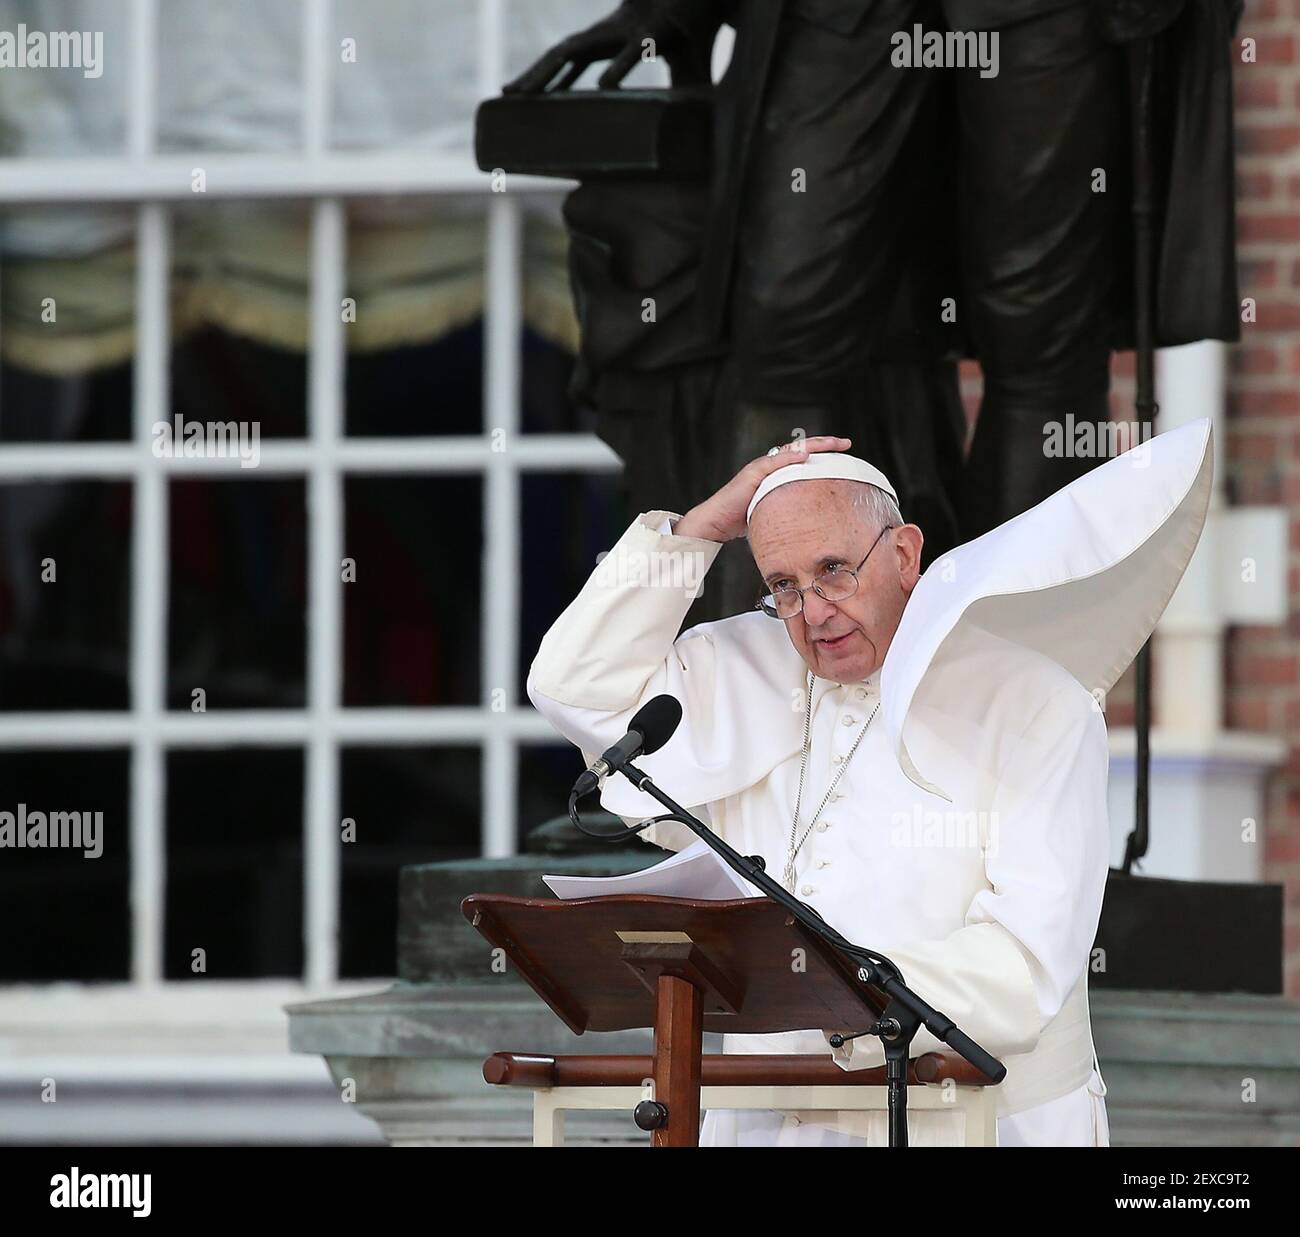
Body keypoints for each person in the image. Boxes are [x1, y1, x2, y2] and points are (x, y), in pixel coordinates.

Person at [526, 423, 1213, 1145]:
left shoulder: (1034, 700)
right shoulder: (741, 670)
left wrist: (844, 1000)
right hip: (764, 1116)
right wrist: (698, 531)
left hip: (970, 1118)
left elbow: (1025, 958)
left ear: (907, 553)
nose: (813, 611)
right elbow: (572, 685)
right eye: (783, 586)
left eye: (833, 570)